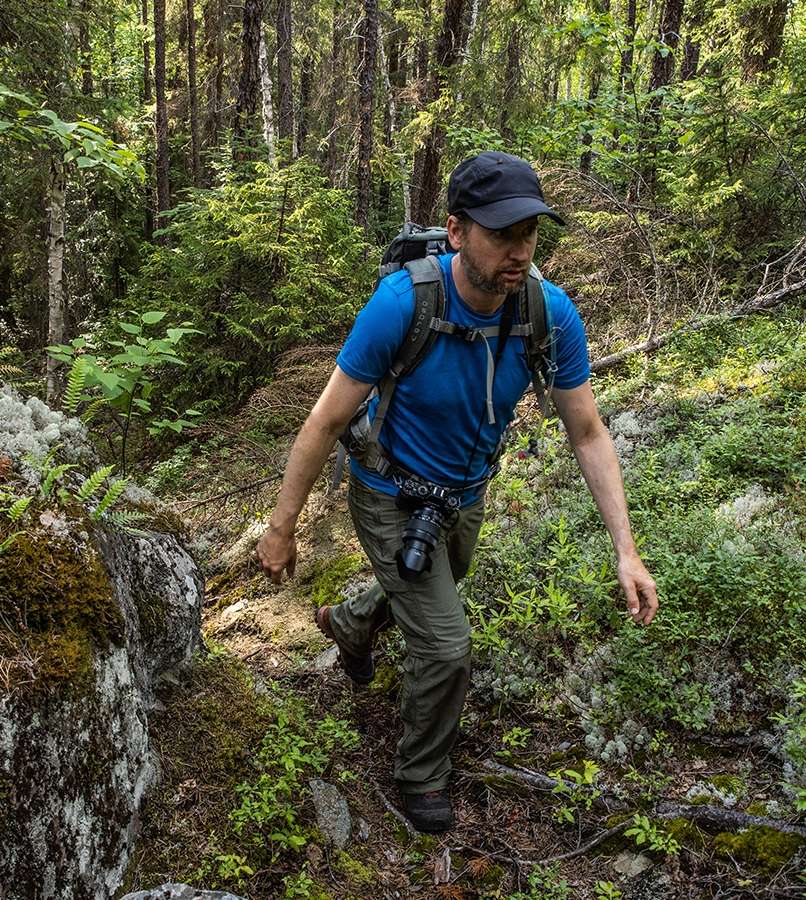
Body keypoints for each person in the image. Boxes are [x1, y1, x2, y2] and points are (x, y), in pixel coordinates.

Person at [253, 151, 658, 833]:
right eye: (501, 234)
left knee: (430, 585)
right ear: (455, 232)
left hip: (464, 496)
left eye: (528, 233)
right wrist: (281, 525)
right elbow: (324, 419)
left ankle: (351, 627)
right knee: (445, 644)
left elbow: (587, 433)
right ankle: (421, 776)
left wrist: (627, 549)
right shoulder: (401, 306)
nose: (517, 250)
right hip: (388, 492)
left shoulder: (547, 313)